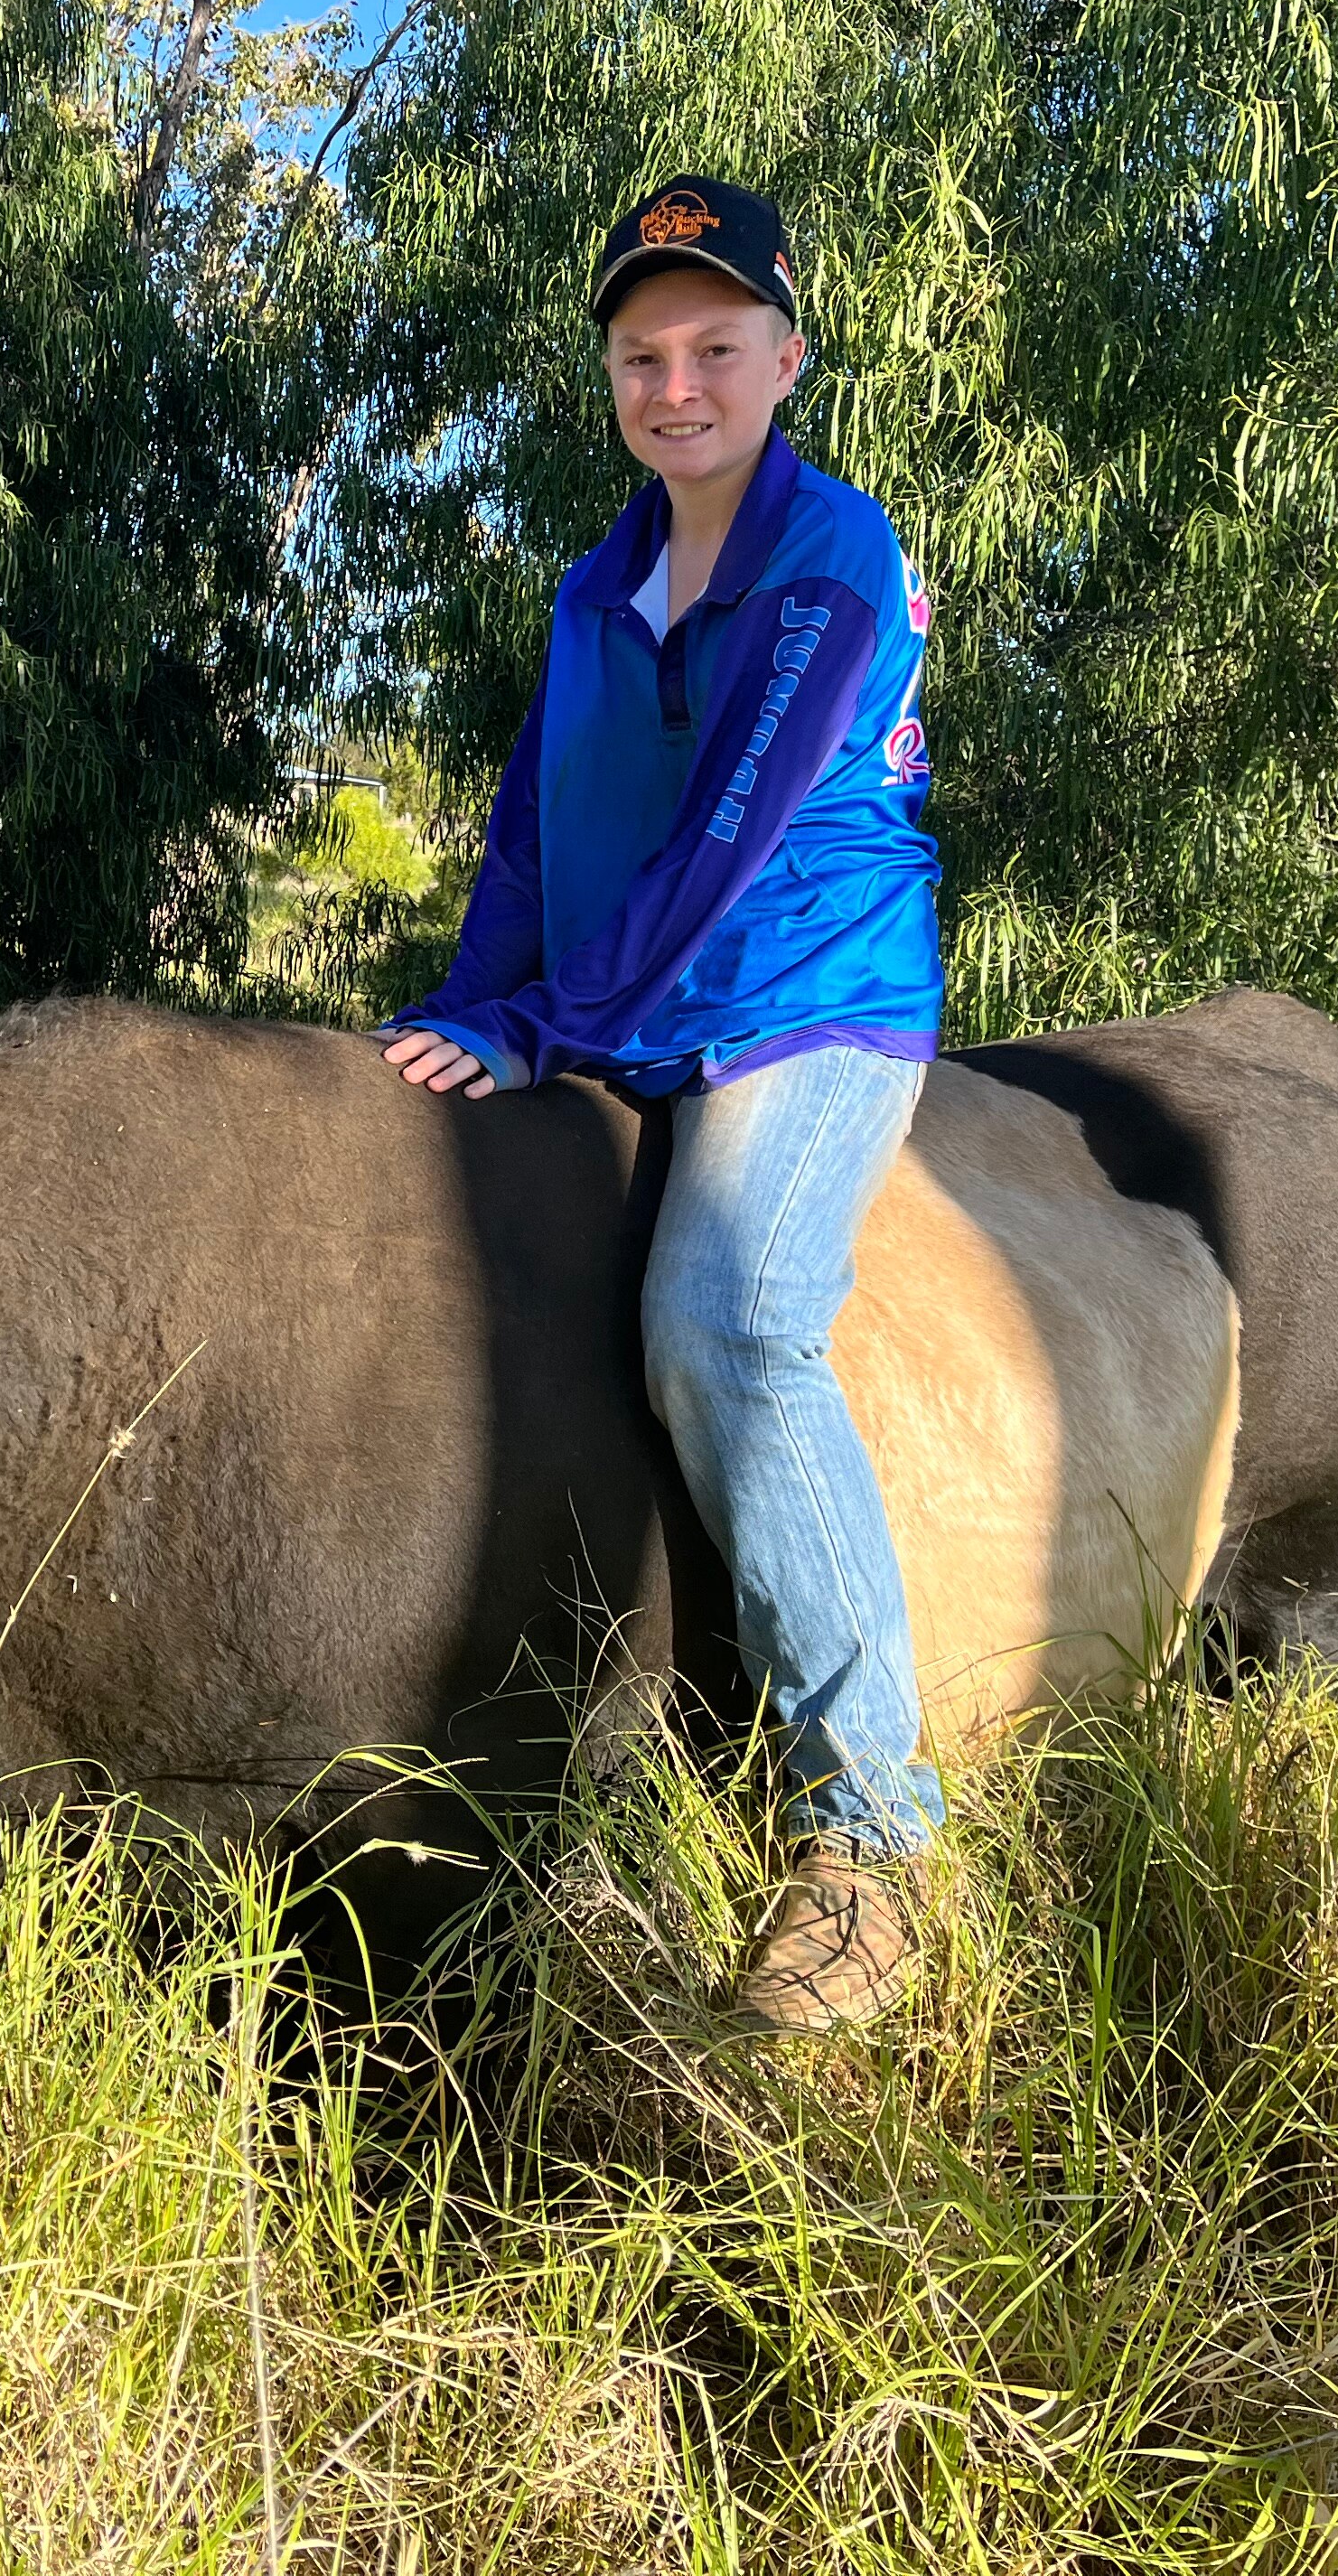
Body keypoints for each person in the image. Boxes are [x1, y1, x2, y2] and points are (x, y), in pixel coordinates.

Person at [381, 174, 947, 2036]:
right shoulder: (598, 585)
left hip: (800, 1008)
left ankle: (868, 1834)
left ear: (787, 357)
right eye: (643, 352)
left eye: (715, 346)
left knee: (728, 1314)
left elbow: (731, 837)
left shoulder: (834, 556)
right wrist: (475, 1009)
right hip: (624, 1005)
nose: (678, 381)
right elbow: (537, 830)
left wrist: (555, 1027)